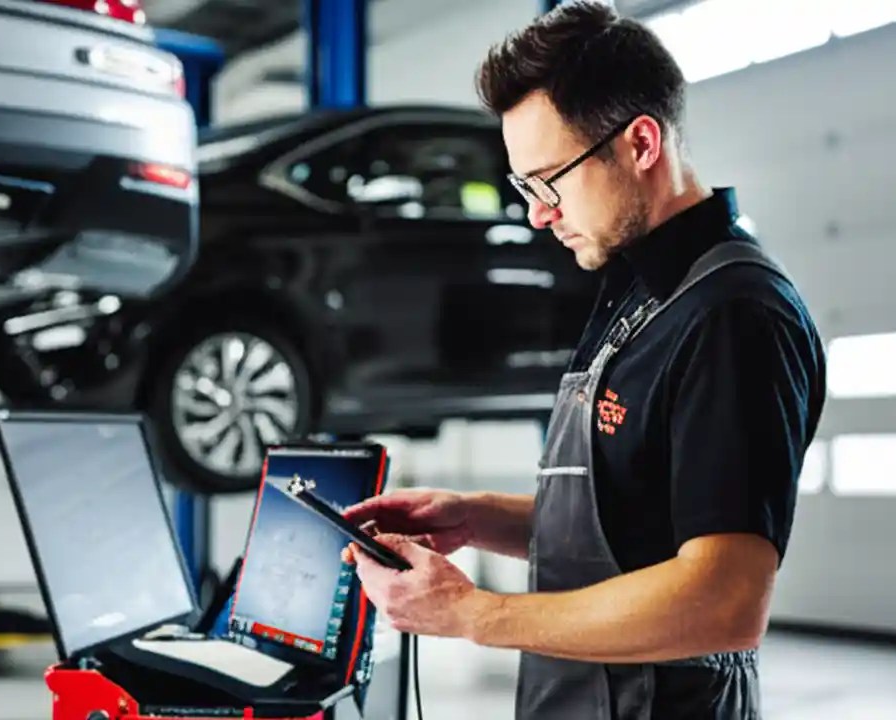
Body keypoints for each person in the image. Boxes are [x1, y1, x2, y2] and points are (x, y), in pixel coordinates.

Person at [340, 2, 826, 718]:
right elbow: (628, 522)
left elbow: (723, 599)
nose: (537, 213)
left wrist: (473, 613)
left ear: (640, 144)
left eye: (550, 179)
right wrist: (473, 517)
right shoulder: (632, 289)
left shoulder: (732, 314)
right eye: (524, 188)